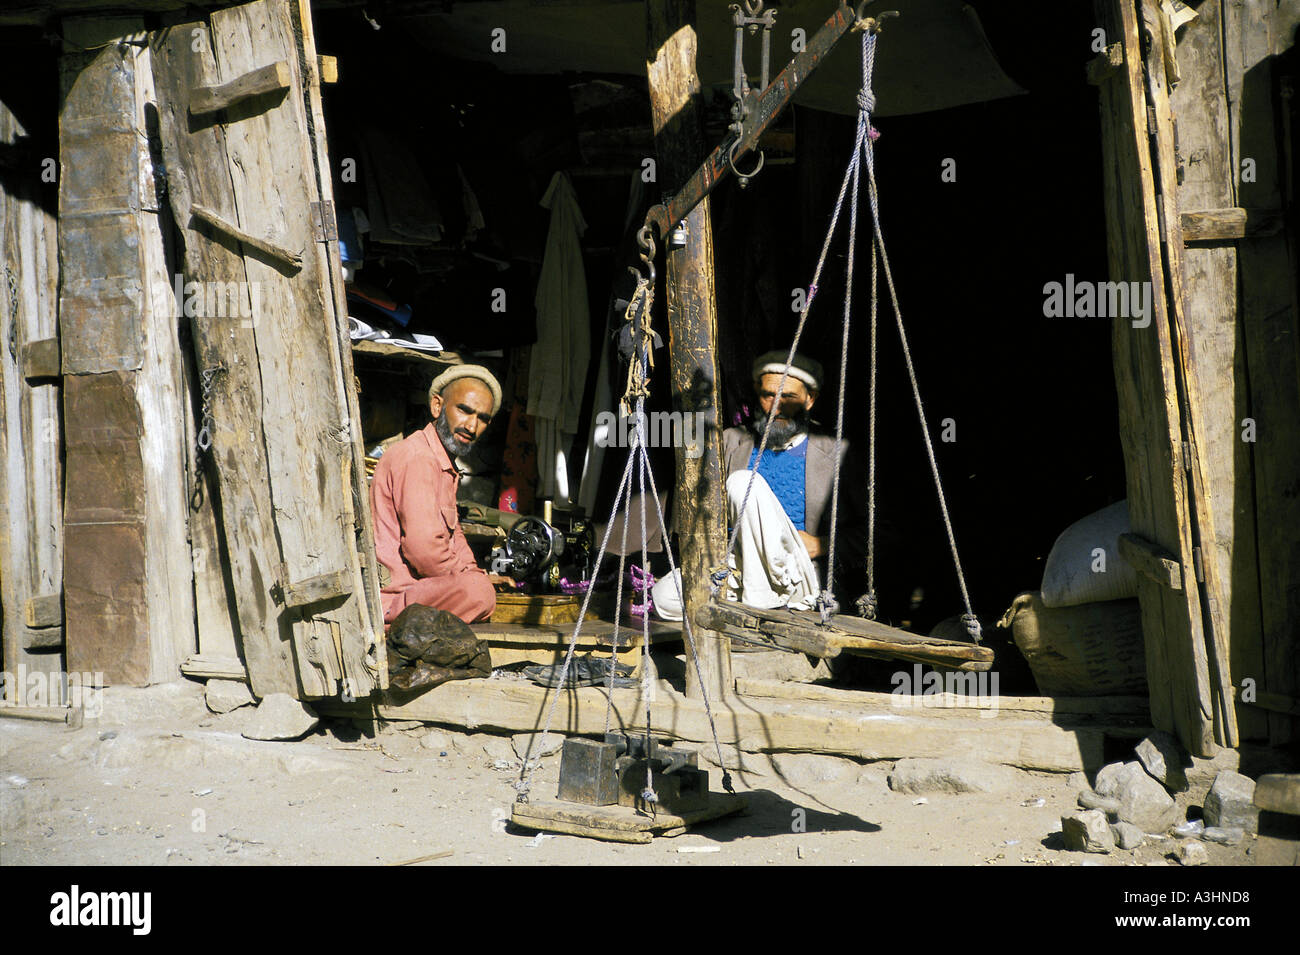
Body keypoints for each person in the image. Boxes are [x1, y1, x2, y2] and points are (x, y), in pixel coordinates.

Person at [653, 351, 858, 618]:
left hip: (796, 572)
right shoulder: (730, 442)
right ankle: (759, 608)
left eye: (788, 397)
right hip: (735, 565)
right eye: (768, 395)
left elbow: (879, 534)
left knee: (742, 483)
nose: (776, 407)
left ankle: (758, 608)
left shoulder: (837, 453)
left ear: (810, 400)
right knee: (664, 597)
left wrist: (821, 544)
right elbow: (691, 513)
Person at [370, 365, 502, 625]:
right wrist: (469, 580)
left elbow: (454, 536)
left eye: (483, 418)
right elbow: (425, 551)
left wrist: (473, 572)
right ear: (437, 406)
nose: (472, 426)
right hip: (396, 598)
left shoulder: (441, 463)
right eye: (464, 410)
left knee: (480, 586)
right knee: (479, 594)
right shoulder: (418, 458)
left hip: (419, 591)